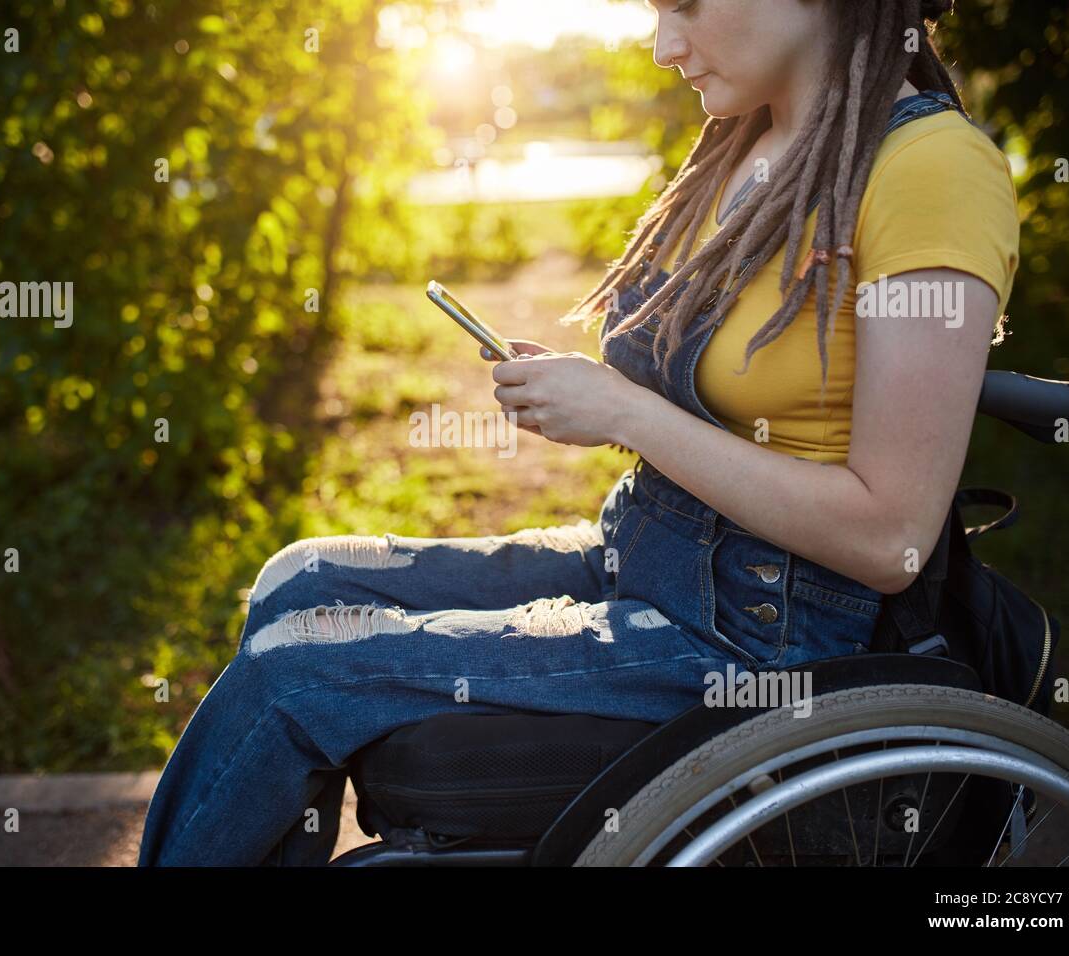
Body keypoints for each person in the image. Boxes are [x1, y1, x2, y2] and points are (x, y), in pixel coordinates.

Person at [138, 0, 1019, 866]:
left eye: (685, 6)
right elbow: (725, 390)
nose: (662, 45)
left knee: (296, 675)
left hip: (764, 637)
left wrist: (626, 412)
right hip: (647, 555)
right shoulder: (757, 139)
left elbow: (891, 537)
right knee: (299, 581)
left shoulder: (931, 171)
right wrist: (587, 387)